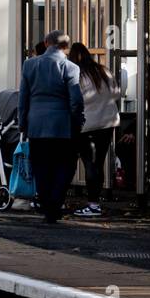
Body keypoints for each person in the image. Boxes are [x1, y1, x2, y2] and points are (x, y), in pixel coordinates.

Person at [18, 31, 85, 223]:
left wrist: (23, 123)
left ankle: (47, 205)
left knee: (41, 166)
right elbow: (76, 100)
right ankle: (55, 201)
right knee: (65, 165)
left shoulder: (30, 65)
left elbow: (23, 98)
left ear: (46, 42)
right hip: (62, 126)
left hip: (37, 125)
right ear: (66, 46)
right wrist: (77, 121)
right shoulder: (70, 67)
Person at [68, 42, 120, 217]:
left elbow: (73, 100)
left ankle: (92, 205)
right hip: (107, 124)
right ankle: (94, 203)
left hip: (86, 126)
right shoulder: (103, 71)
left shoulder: (77, 75)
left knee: (89, 163)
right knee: (98, 163)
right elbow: (117, 93)